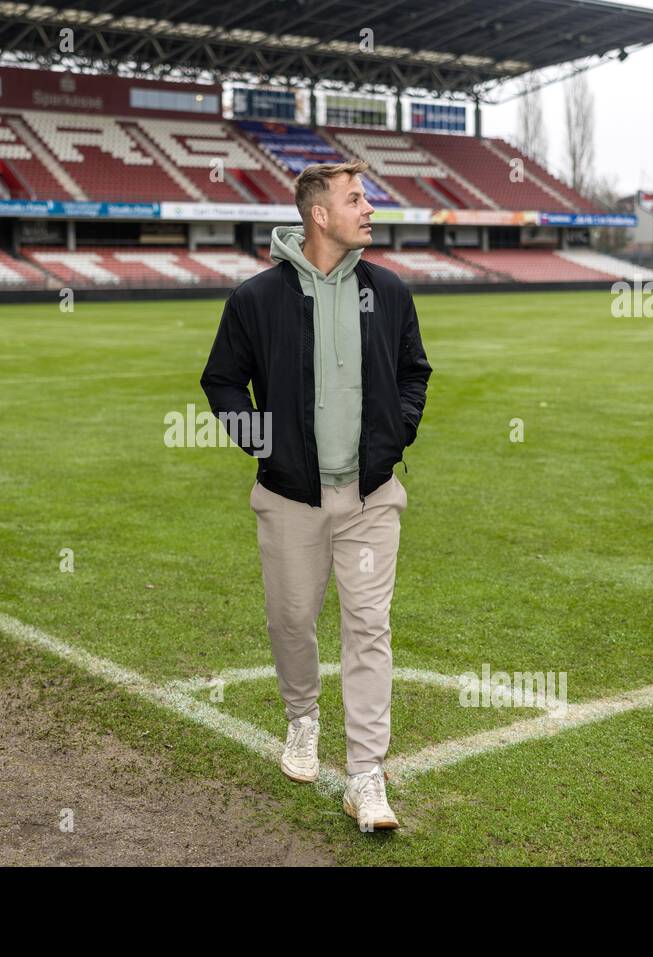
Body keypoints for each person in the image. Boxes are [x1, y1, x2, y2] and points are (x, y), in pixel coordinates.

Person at [199, 160, 432, 831]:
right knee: (291, 619)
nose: (369, 208)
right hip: (290, 500)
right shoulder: (256, 299)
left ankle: (366, 775)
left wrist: (395, 432)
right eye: (356, 199)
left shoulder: (387, 292)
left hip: (371, 498)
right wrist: (268, 446)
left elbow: (415, 371)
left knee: (368, 628)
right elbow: (221, 382)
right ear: (319, 215)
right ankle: (303, 718)